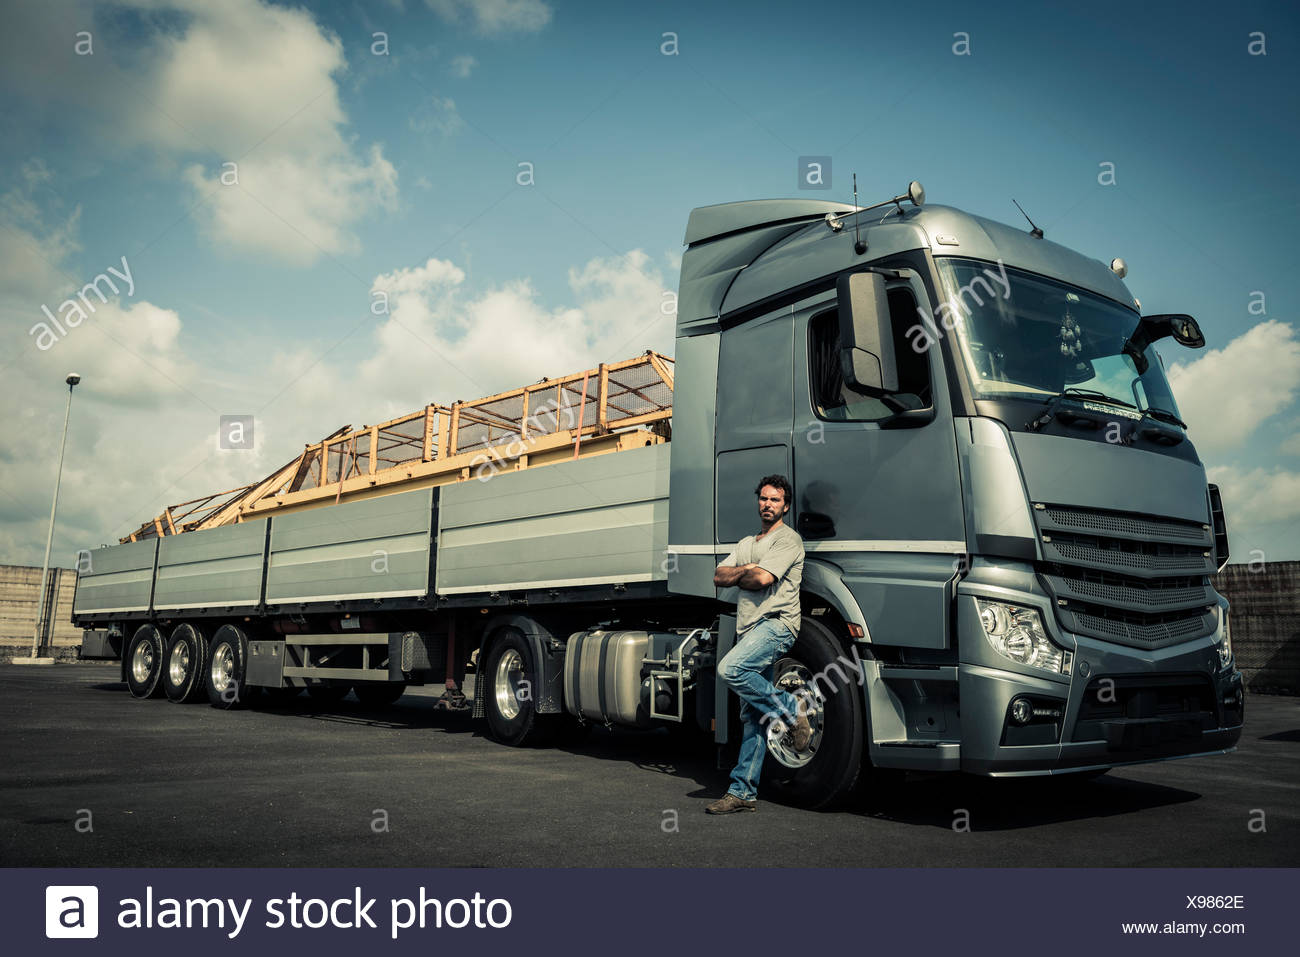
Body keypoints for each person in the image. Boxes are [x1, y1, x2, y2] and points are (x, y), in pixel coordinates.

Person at [705, 474, 808, 814]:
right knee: (752, 716)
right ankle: (742, 792)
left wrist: (748, 571)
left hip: (776, 624)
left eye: (775, 500)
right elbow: (719, 576)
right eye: (763, 498)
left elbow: (763, 578)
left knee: (730, 668)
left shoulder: (788, 540)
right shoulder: (748, 541)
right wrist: (745, 568)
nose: (767, 504)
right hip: (749, 629)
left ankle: (792, 709)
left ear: (786, 506)